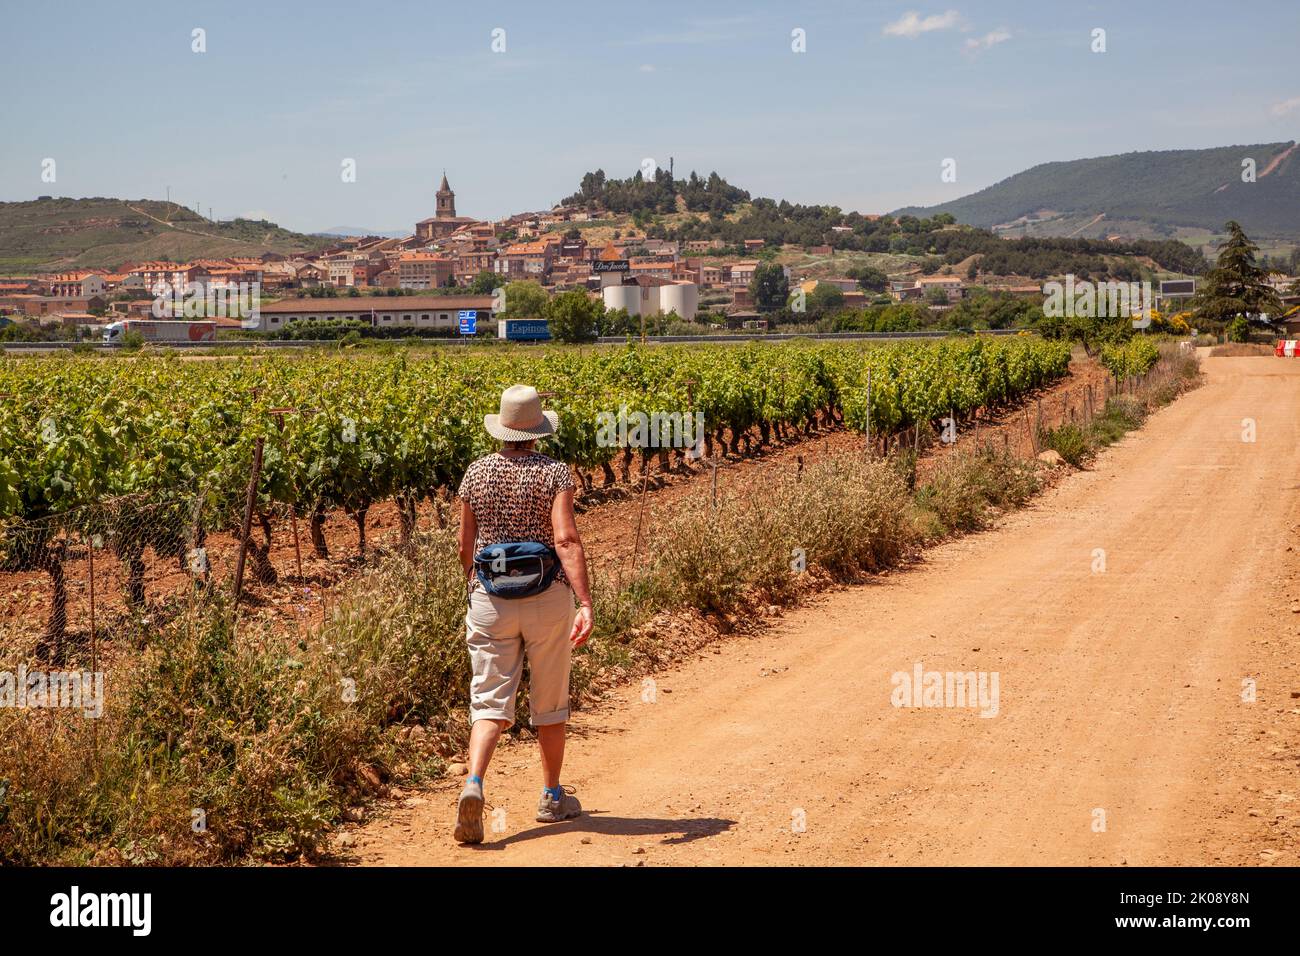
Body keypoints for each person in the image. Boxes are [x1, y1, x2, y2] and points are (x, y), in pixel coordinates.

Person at [452, 384, 595, 844]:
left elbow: (465, 546)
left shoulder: (475, 474)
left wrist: (481, 589)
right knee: (550, 701)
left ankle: (473, 782)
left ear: (502, 429)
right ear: (537, 432)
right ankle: (552, 796)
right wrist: (585, 601)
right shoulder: (555, 473)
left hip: (490, 599)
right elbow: (566, 539)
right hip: (547, 597)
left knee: (489, 700)